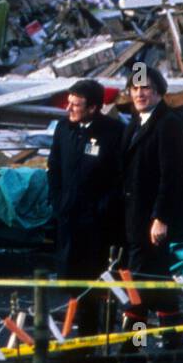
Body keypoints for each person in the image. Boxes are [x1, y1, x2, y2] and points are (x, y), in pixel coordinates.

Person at [119, 64, 183, 349]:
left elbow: (171, 175)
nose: (139, 93)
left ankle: (134, 344)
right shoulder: (137, 122)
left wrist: (161, 217)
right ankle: (172, 340)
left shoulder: (169, 124)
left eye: (145, 88)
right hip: (135, 217)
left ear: (159, 91)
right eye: (135, 88)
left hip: (152, 220)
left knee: (141, 281)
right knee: (155, 280)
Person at [48, 79, 124, 336]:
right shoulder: (63, 129)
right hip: (69, 218)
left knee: (96, 280)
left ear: (93, 108)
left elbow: (120, 177)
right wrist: (58, 202)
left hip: (97, 223)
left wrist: (103, 208)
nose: (69, 109)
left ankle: (94, 332)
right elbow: (54, 168)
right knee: (71, 277)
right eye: (68, 103)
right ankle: (76, 327)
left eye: (76, 105)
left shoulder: (113, 132)